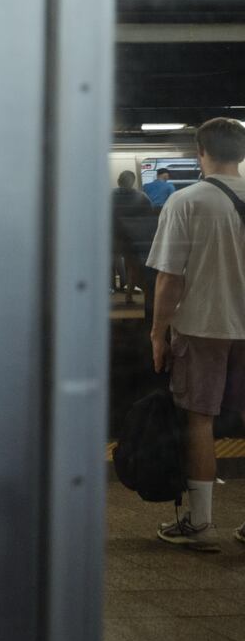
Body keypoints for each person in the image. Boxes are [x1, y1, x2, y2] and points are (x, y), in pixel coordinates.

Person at [148, 119, 245, 551]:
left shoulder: (187, 201)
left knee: (199, 419)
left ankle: (201, 522)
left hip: (204, 325)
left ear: (200, 151)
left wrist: (157, 333)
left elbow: (169, 278)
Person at [111, 170, 158, 303]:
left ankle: (110, 290)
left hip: (112, 237)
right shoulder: (141, 197)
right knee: (133, 267)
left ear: (119, 180)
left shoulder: (108, 196)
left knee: (110, 264)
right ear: (132, 182)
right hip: (132, 237)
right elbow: (150, 216)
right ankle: (129, 295)